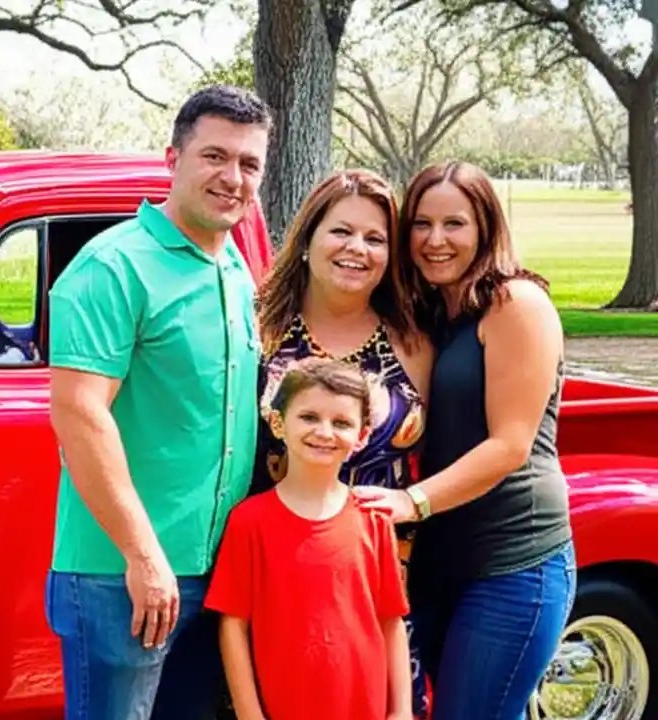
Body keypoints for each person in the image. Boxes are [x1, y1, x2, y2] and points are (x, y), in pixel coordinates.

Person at [45, 83, 273, 719]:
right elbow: (79, 414)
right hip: (121, 573)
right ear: (172, 159)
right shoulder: (112, 267)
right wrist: (144, 557)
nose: (233, 178)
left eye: (249, 164)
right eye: (215, 157)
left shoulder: (232, 269)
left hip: (211, 571)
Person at [354, 161, 576, 720]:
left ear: (485, 227)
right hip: (440, 560)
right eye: (421, 225)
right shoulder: (432, 311)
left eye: (454, 224)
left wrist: (411, 501)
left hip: (514, 563)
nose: (435, 240)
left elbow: (511, 445)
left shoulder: (515, 304)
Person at [250, 168, 432, 715]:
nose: (357, 249)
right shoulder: (259, 329)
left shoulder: (413, 340)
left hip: (383, 581)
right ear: (307, 239)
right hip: (282, 571)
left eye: (375, 238)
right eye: (341, 232)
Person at [205, 356, 414, 720]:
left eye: (342, 422)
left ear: (362, 435)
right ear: (278, 422)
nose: (324, 432)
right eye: (309, 417)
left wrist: (400, 712)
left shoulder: (373, 519)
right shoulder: (249, 522)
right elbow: (233, 625)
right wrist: (250, 714)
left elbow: (391, 622)